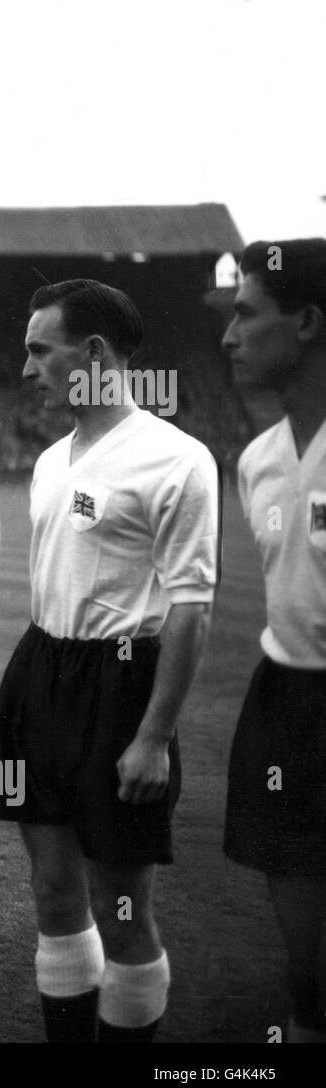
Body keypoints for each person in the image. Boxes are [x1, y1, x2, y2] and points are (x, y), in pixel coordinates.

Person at [0, 279, 218, 1043]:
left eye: (39, 350)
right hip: (41, 672)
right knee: (53, 894)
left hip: (121, 689)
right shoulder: (51, 460)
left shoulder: (176, 459)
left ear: (94, 354)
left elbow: (191, 606)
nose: (26, 369)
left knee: (123, 911)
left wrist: (151, 737)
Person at [221, 239, 326, 1043]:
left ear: (309, 322)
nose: (228, 336)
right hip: (285, 692)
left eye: (247, 315)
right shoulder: (258, 460)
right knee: (299, 922)